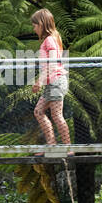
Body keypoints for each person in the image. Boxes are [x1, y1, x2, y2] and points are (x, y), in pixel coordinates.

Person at [30, 8, 70, 147]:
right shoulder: (53, 38)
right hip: (52, 83)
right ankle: (52, 143)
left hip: (56, 82)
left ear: (41, 24)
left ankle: (67, 147)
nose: (34, 29)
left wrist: (39, 81)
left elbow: (52, 63)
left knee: (56, 115)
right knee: (38, 111)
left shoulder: (50, 40)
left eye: (35, 26)